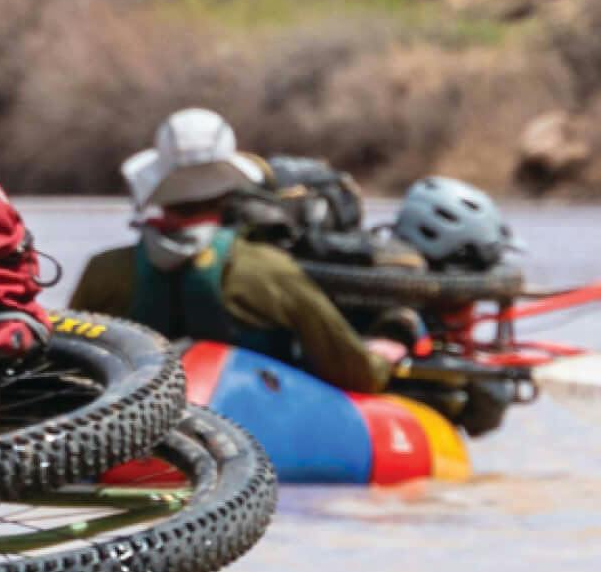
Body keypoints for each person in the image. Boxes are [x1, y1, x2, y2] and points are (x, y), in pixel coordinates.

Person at [66, 107, 404, 396]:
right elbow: (354, 373)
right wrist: (381, 356)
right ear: (230, 189)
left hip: (135, 424)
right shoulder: (269, 271)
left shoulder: (105, 270)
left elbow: (67, 365)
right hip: (251, 423)